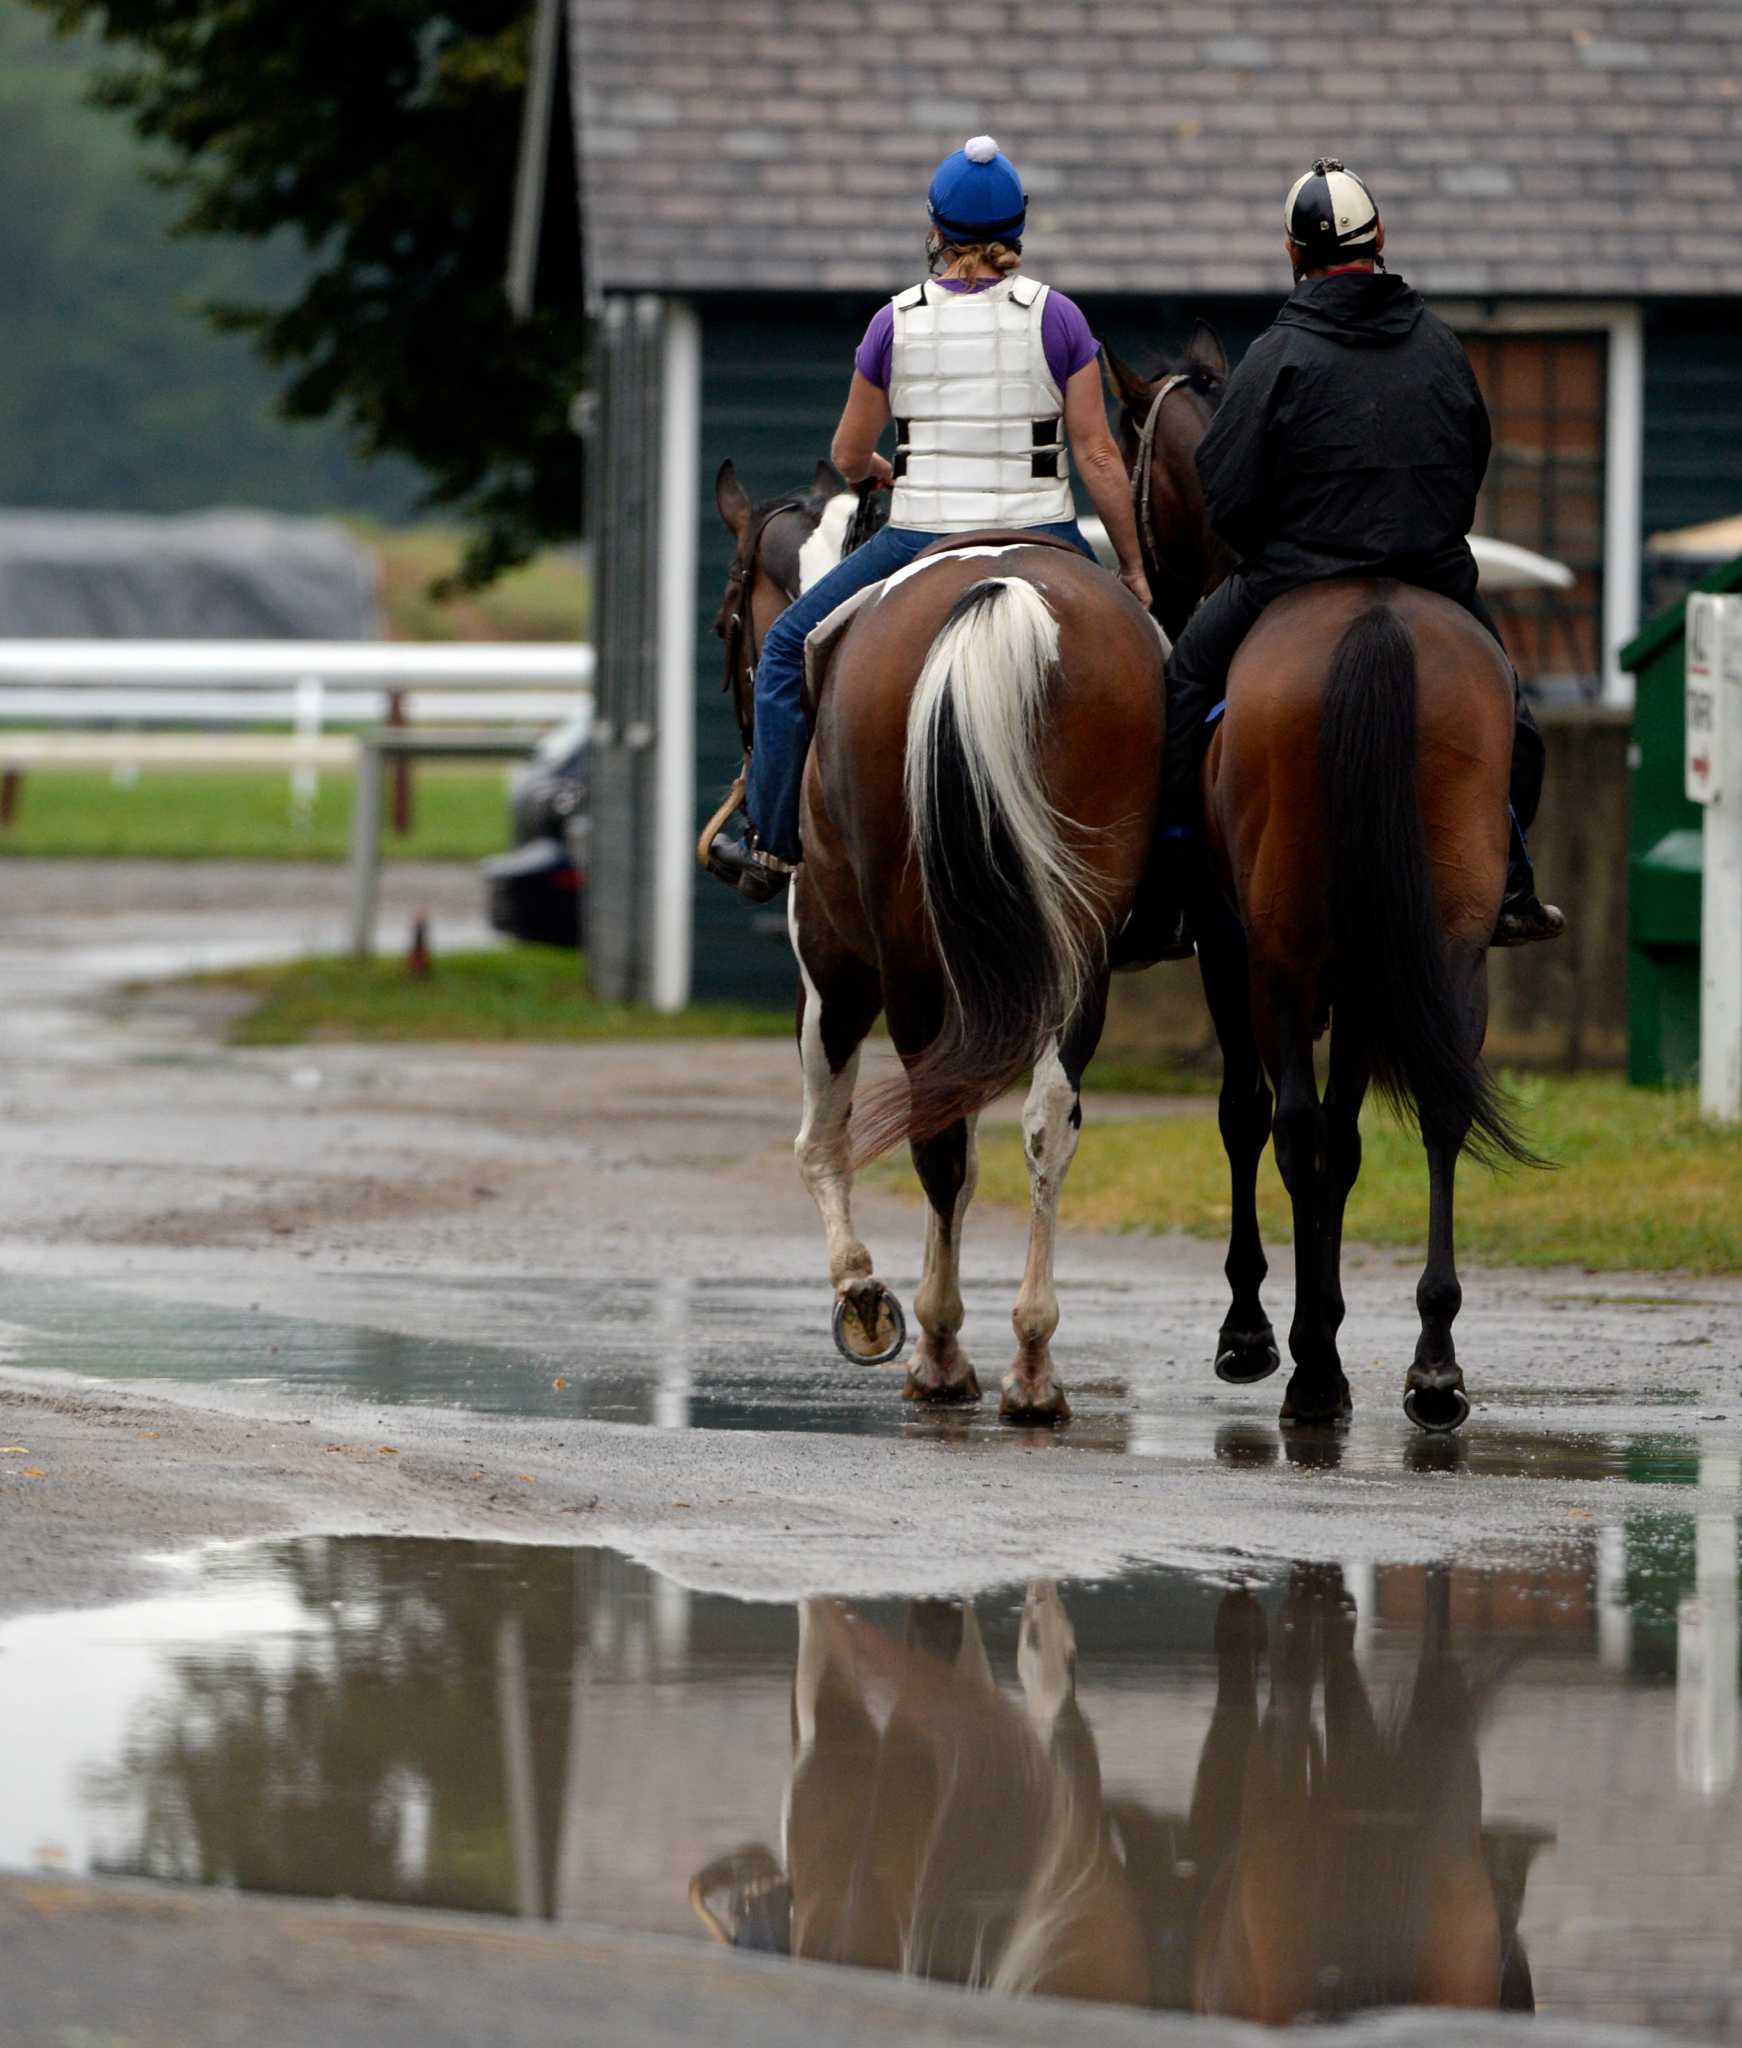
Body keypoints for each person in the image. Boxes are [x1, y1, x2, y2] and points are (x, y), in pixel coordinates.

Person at [706, 135, 1152, 902]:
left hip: (919, 535)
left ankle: (773, 844)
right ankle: (1168, 867)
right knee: (1155, 663)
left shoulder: (894, 323)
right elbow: (1099, 455)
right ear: (1017, 228)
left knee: (782, 649)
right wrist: (1137, 569)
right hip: (1044, 529)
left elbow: (849, 451)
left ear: (936, 229)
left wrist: (876, 471)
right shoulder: (1061, 319)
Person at [1155, 158, 1563, 951]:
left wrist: (1272, 547)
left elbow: (1226, 489)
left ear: (1293, 254)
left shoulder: (1275, 355)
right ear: (1380, 239)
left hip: (1292, 575)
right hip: (1434, 574)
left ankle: (1169, 895)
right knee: (1515, 719)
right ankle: (1511, 883)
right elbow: (1470, 456)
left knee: (1180, 690)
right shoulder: (1442, 346)